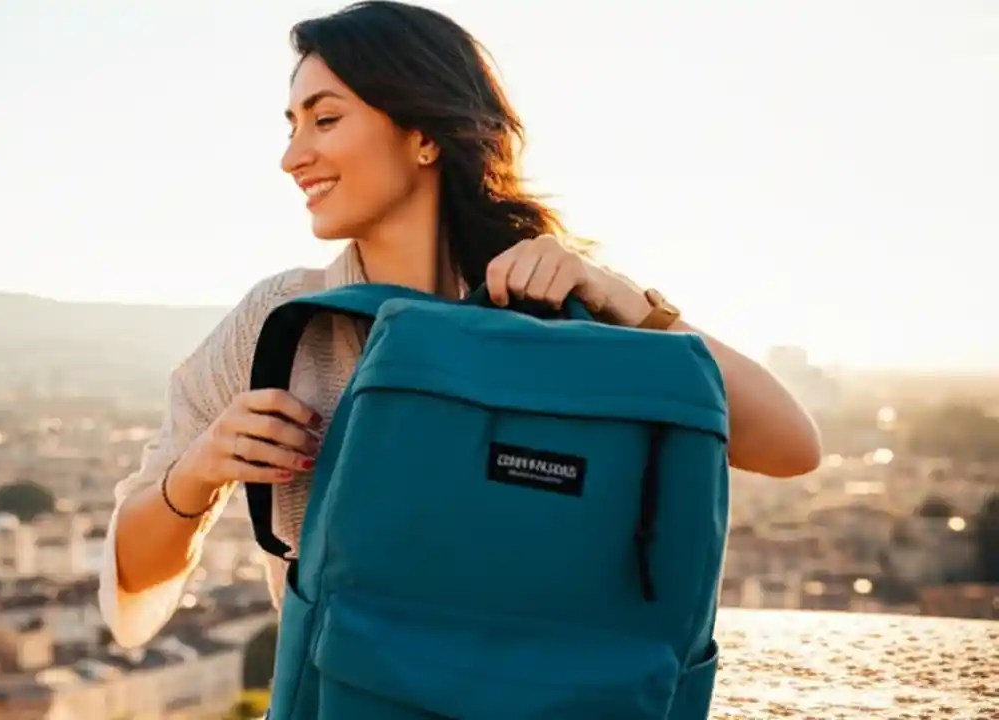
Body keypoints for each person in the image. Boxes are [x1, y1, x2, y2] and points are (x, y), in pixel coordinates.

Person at [99, 0, 821, 651]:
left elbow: (790, 445)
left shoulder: (562, 308)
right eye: (291, 126)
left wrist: (620, 297)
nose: (292, 158)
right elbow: (133, 570)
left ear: (423, 135)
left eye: (325, 119)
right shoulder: (280, 324)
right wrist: (201, 470)